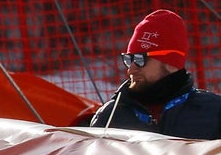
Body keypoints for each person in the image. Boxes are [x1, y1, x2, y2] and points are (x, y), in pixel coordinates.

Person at [89, 9, 221, 139]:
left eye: (140, 59)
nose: (131, 70)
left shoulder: (214, 113)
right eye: (129, 60)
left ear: (170, 63)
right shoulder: (110, 116)